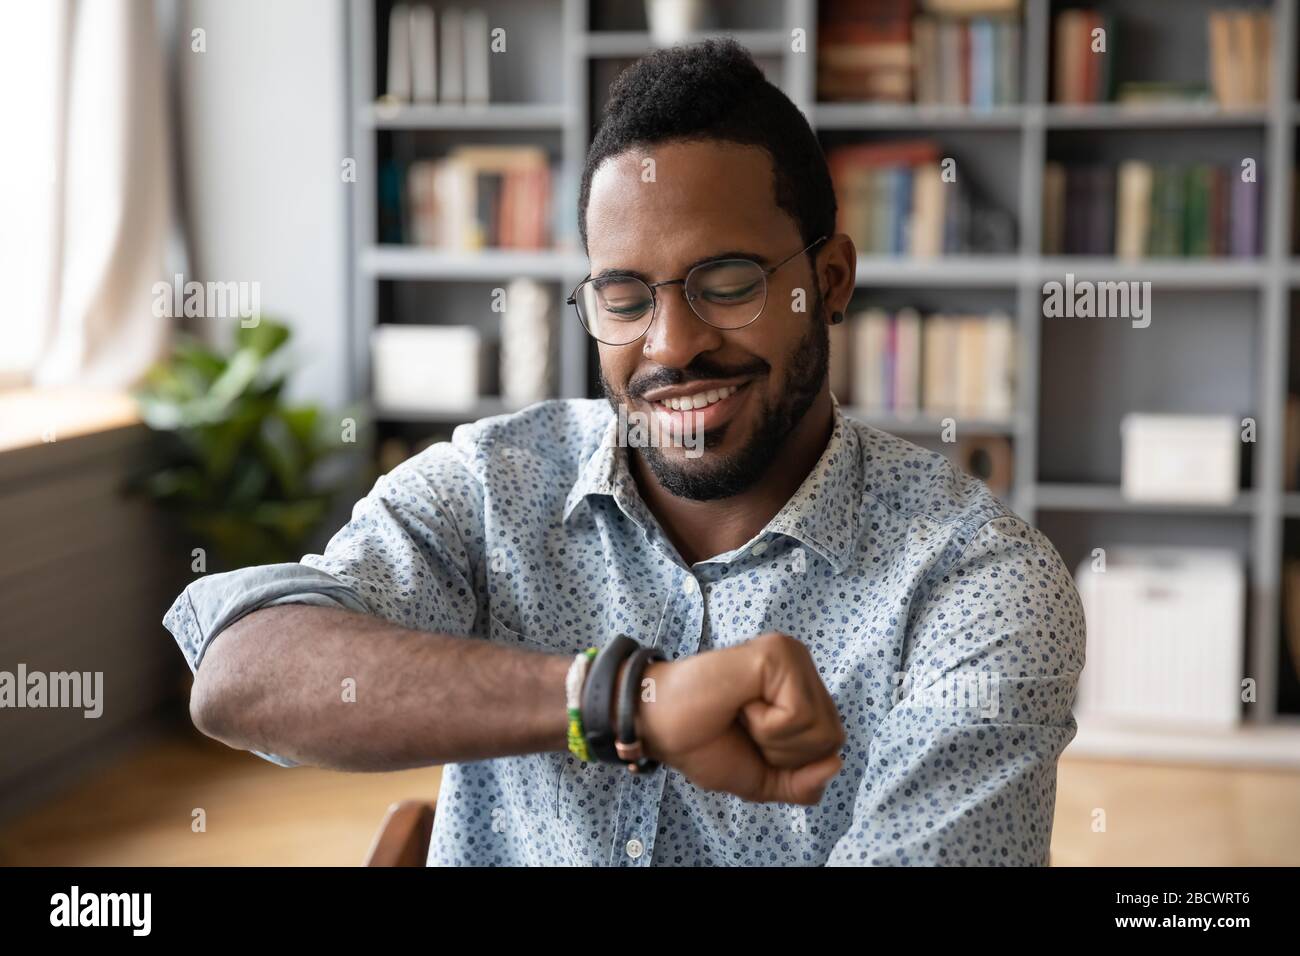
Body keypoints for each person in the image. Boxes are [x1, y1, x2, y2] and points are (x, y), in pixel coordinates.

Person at [164, 38, 1084, 866]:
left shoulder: (979, 584)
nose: (671, 344)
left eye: (728, 283)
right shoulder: (494, 486)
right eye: (626, 296)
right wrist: (617, 699)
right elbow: (239, 672)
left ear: (829, 280)